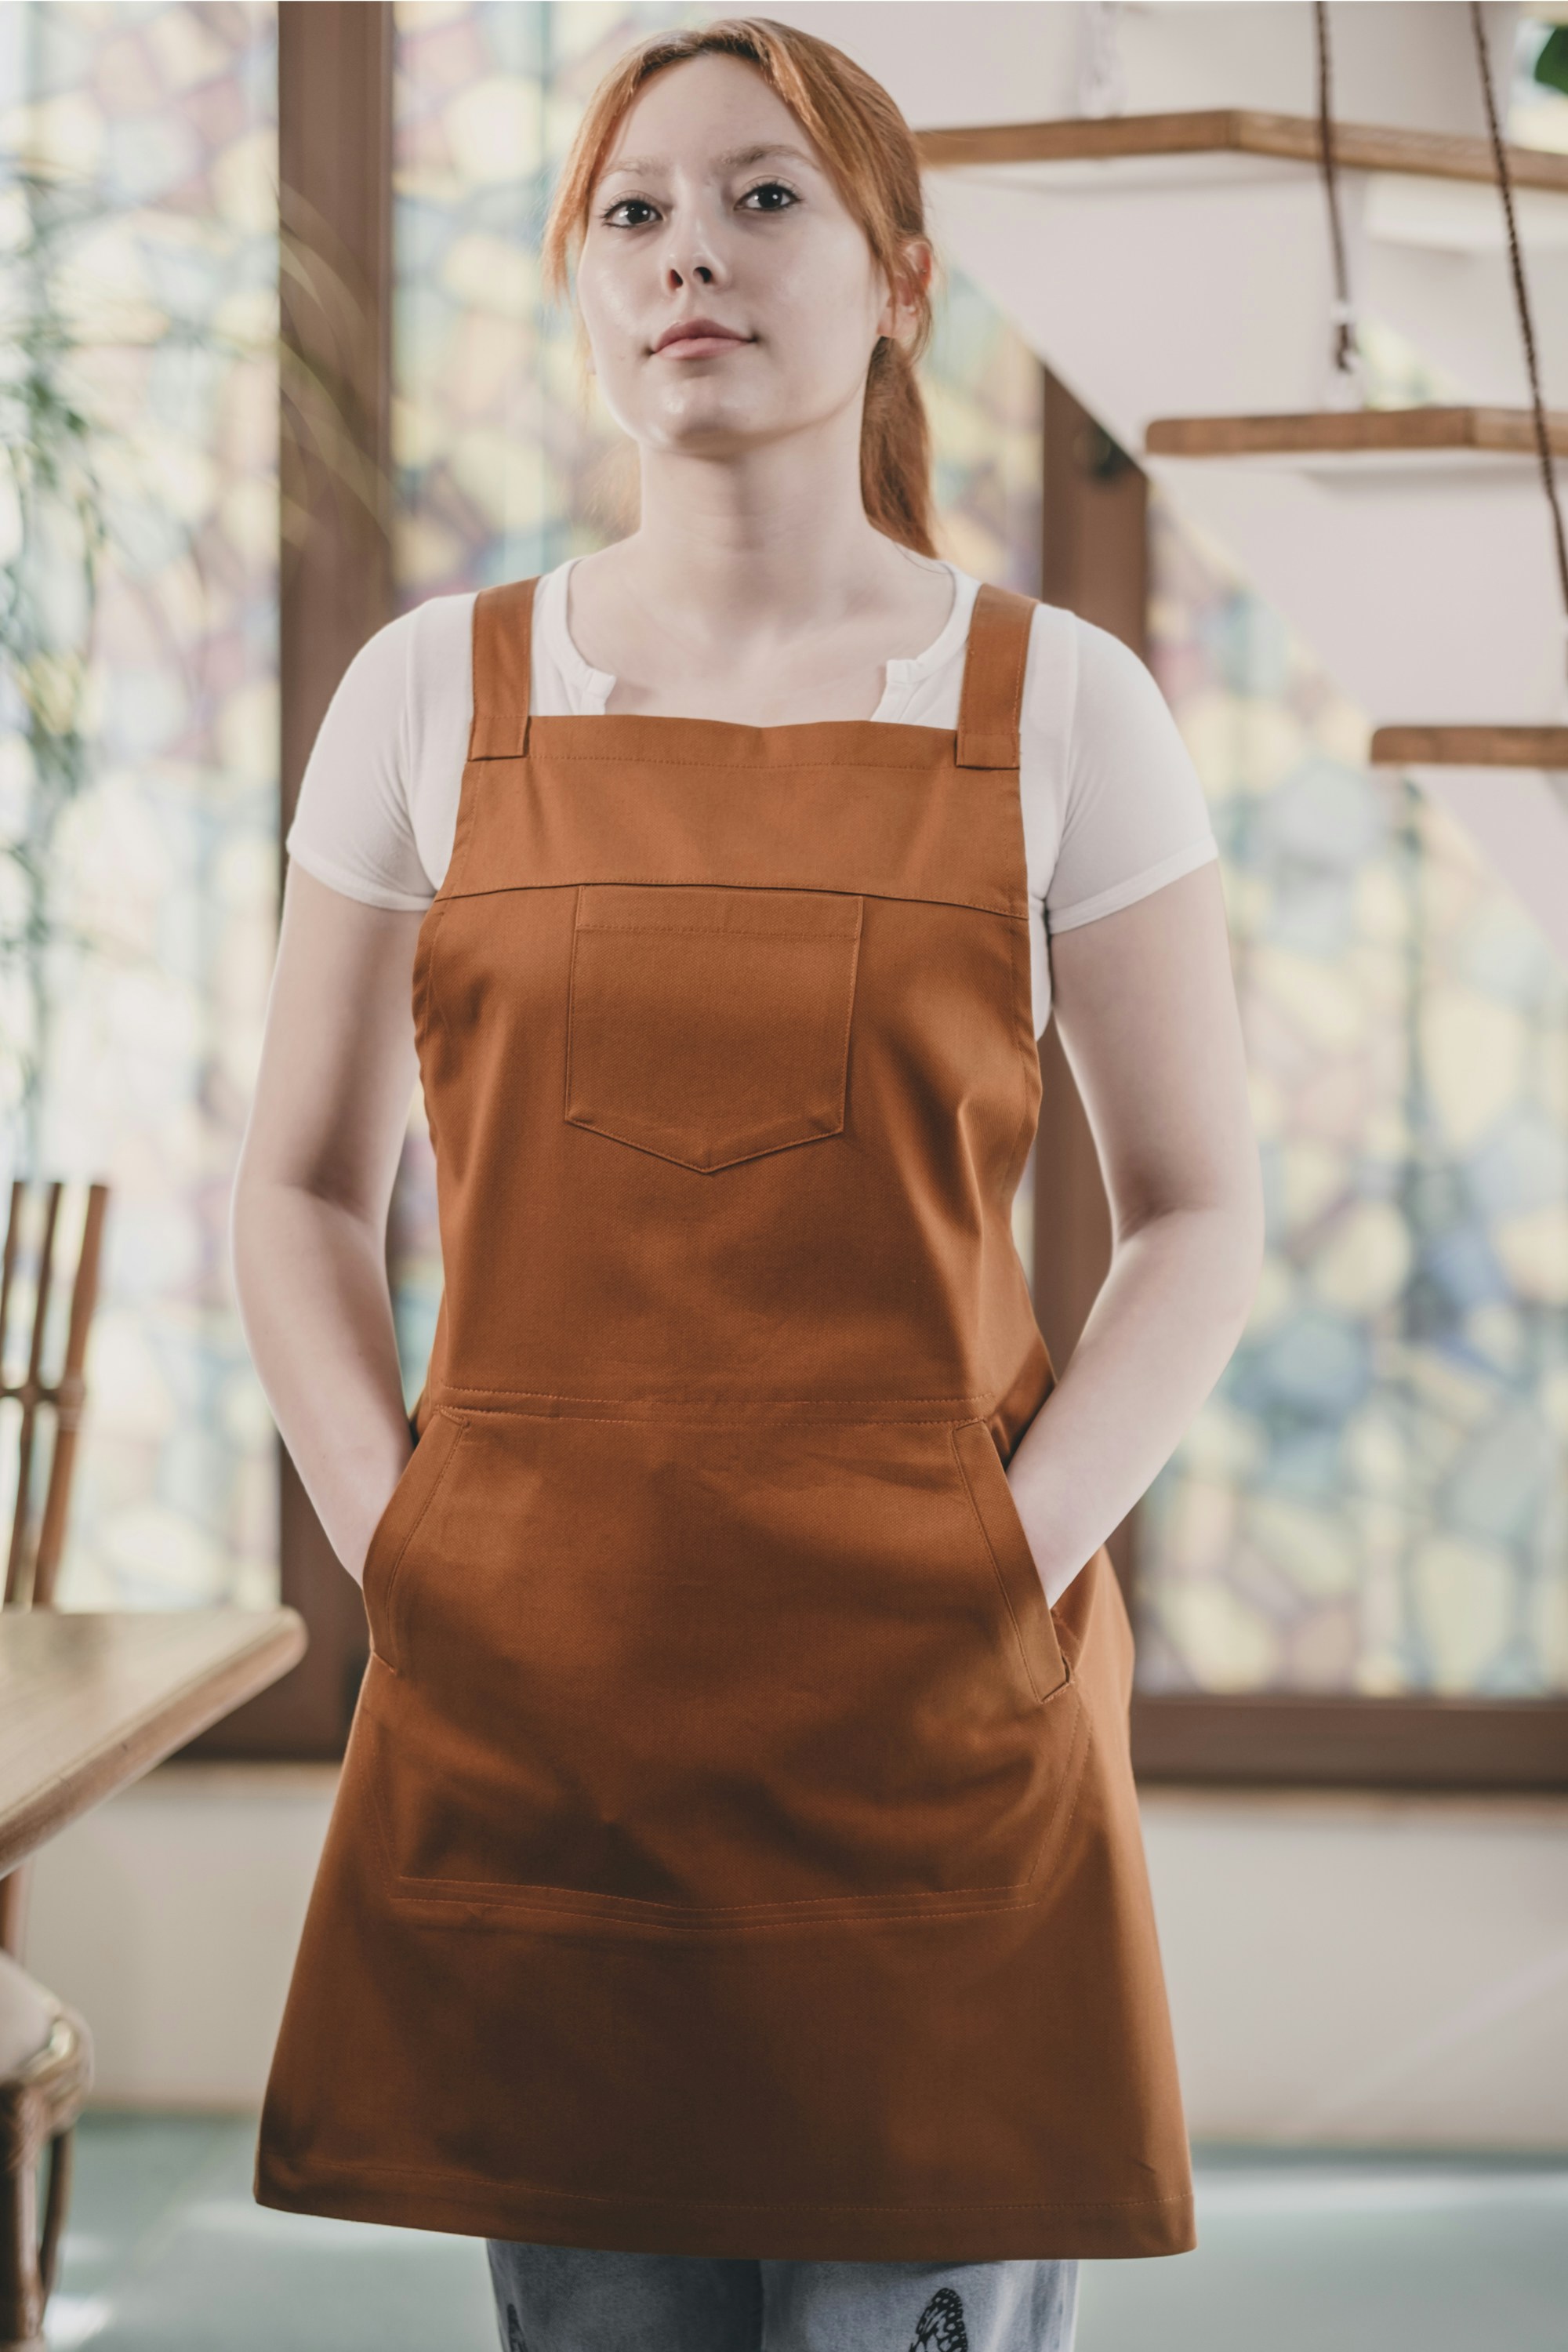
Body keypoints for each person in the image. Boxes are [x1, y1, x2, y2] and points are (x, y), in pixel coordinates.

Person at [232, 19, 1264, 2351]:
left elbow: (1200, 1212)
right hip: (549, 1706)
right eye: (635, 212)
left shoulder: (1064, 702)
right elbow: (296, 1186)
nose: (693, 251)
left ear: (902, 276)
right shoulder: (422, 691)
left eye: (767, 198)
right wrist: (398, 1537)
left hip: (935, 1720)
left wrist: (1016, 1554)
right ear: (578, 288)